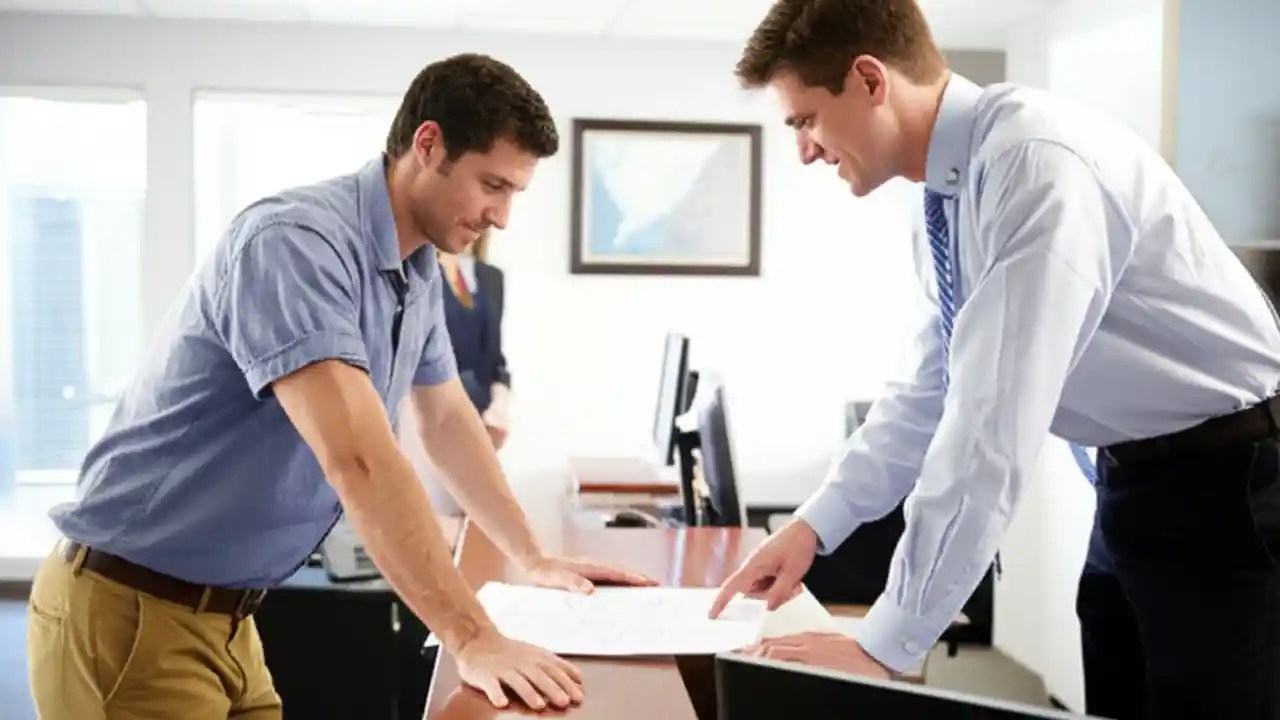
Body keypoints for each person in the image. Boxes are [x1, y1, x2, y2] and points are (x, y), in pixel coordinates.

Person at [27, 52, 655, 719]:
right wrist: (472, 638)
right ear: (428, 144)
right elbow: (358, 459)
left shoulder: (415, 273)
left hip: (229, 620)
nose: (501, 216)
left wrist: (533, 556)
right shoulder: (297, 245)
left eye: (513, 194)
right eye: (491, 185)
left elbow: (446, 421)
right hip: (134, 612)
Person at [708, 2, 1280, 718]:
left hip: (1230, 488)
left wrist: (886, 643)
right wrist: (814, 525)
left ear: (868, 79)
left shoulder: (1035, 165)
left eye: (805, 120)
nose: (805, 150)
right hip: (1135, 484)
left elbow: (987, 427)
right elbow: (931, 388)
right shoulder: (950, 194)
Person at [438, 233, 512, 449]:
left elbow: (495, 357)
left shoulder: (491, 278)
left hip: (483, 418)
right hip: (435, 411)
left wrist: (500, 406)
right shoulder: (420, 274)